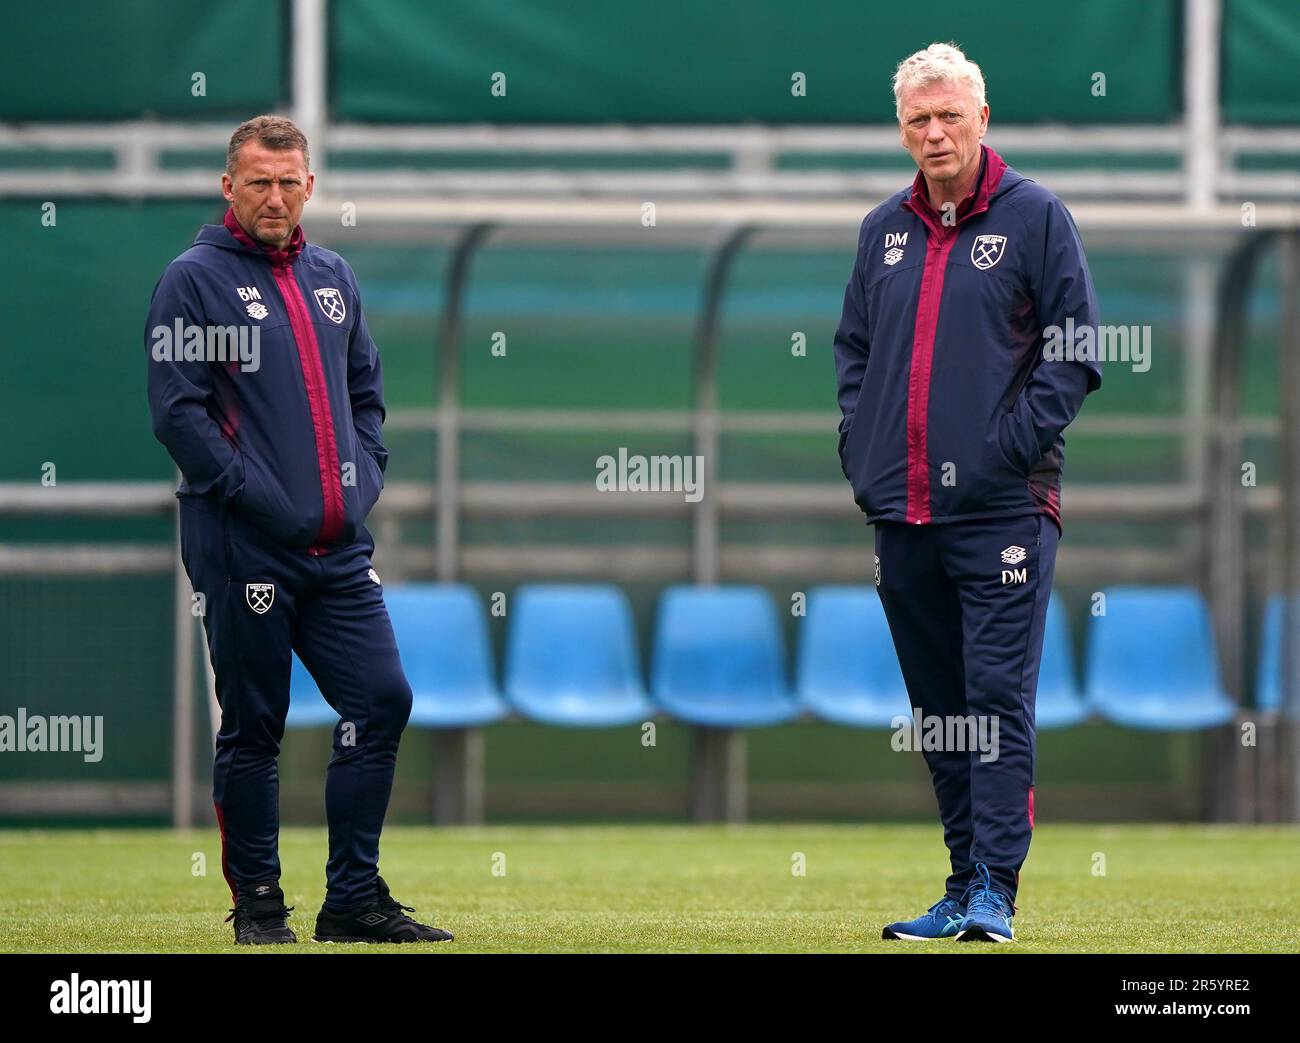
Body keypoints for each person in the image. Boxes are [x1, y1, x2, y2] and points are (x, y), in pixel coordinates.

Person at [146, 115, 452, 945]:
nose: (274, 196)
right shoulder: (193, 280)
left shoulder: (333, 275)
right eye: (258, 181)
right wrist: (258, 494)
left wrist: (364, 482)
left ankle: (352, 899)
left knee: (381, 699)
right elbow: (180, 415)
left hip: (339, 550)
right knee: (256, 726)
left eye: (289, 182)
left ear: (309, 186)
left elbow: (367, 400)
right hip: (244, 545)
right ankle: (260, 906)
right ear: (228, 187)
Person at [833, 44, 1102, 942]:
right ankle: (959, 883)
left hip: (1003, 513)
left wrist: (1003, 449)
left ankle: (996, 888)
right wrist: (860, 450)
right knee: (941, 713)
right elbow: (854, 357)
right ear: (901, 128)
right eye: (918, 118)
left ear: (982, 117)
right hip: (901, 513)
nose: (935, 131)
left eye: (949, 114)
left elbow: (1074, 351)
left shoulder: (1036, 217)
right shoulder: (883, 230)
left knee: (994, 700)